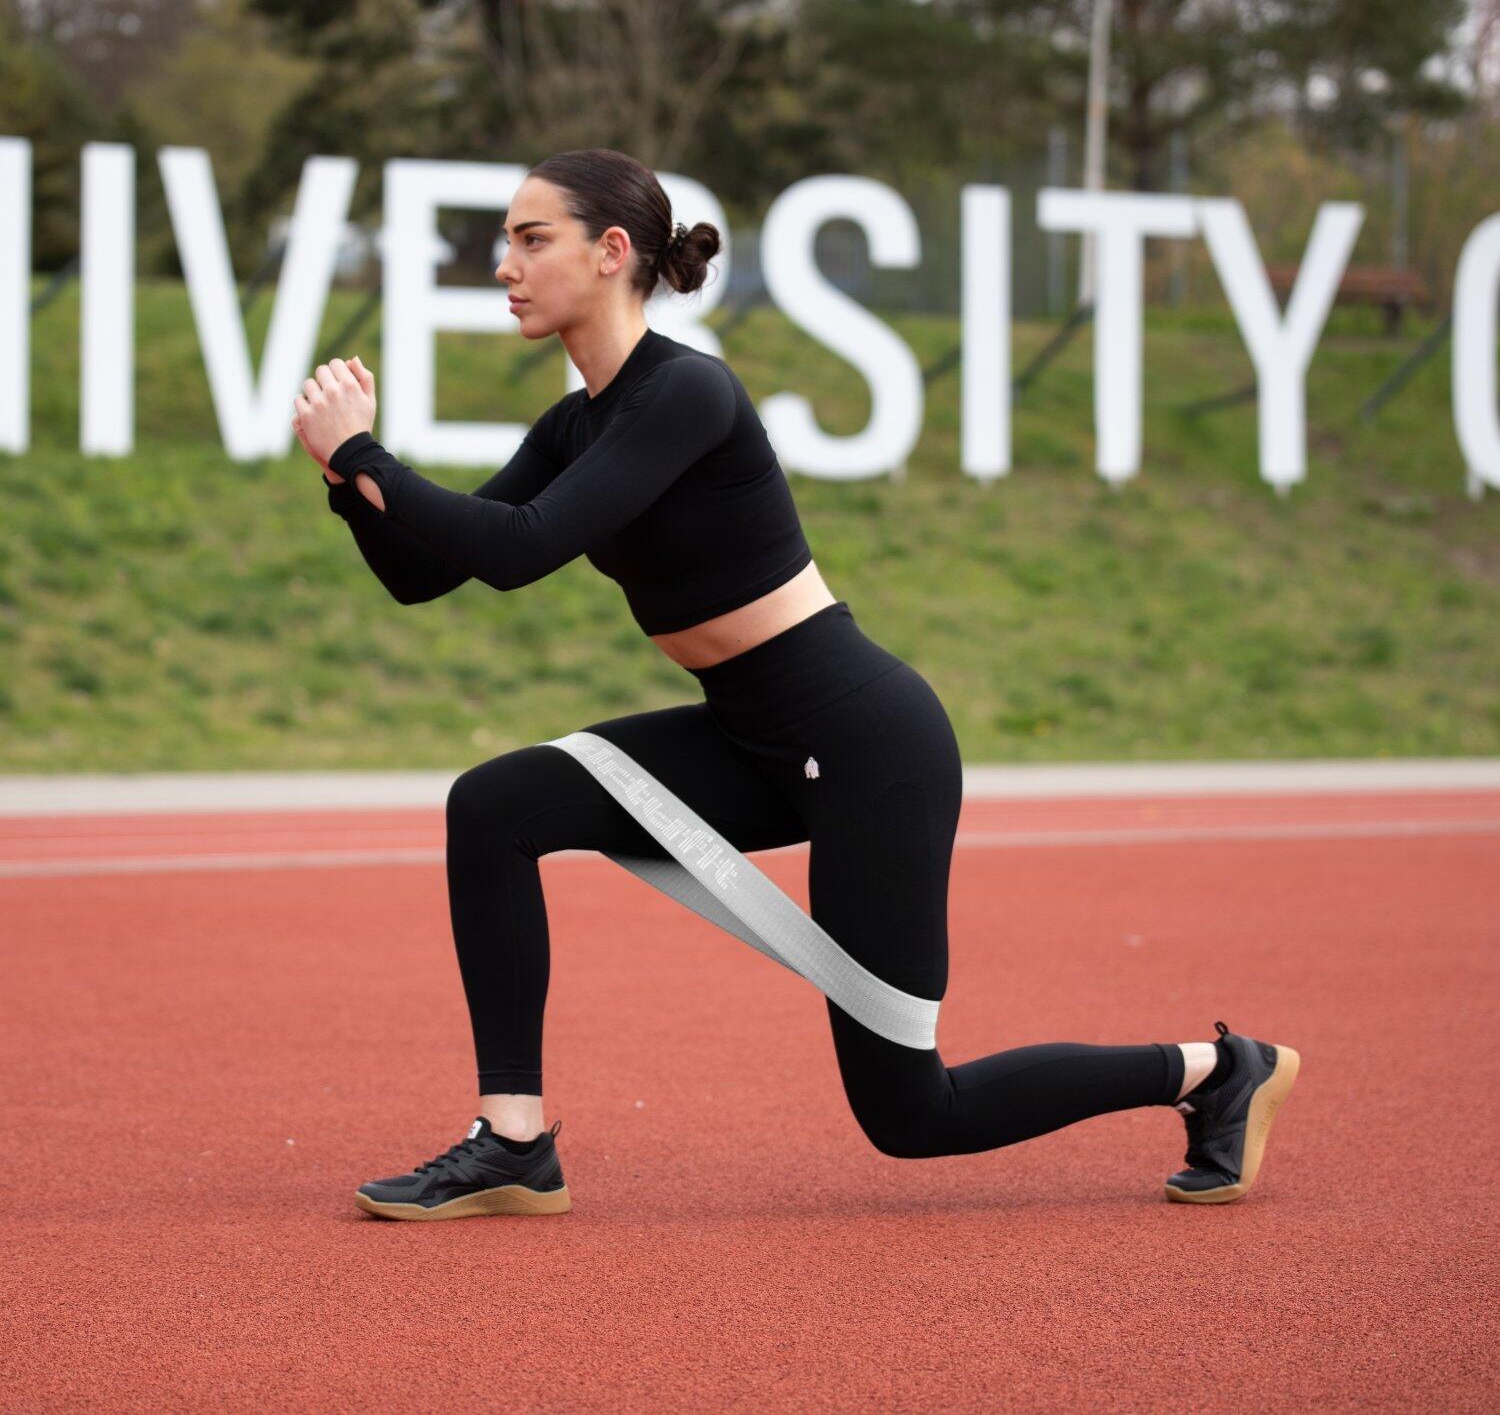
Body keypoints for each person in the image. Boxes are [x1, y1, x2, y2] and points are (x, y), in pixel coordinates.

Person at [291, 148, 1299, 1222]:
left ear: (612, 251)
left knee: (914, 1115)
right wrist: (351, 481)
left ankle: (1211, 1070)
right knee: (492, 806)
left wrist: (374, 460)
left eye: (532, 240)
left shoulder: (687, 391)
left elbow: (520, 547)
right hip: (748, 740)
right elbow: (426, 576)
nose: (507, 266)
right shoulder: (573, 424)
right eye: (508, 242)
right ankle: (515, 1143)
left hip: (868, 747)